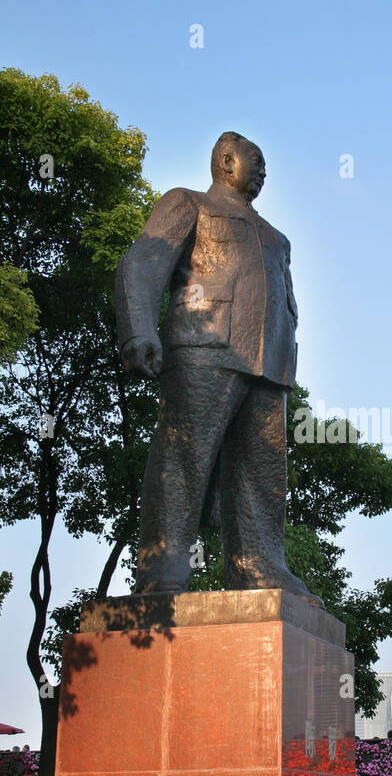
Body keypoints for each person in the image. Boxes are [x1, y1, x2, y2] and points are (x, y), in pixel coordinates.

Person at [116, 131, 318, 602]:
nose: (264, 169)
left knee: (263, 472)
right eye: (256, 158)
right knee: (183, 457)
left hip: (268, 363)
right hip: (204, 345)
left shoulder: (276, 238)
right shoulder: (188, 204)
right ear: (226, 161)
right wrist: (138, 330)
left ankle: (258, 567)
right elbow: (141, 264)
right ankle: (163, 570)